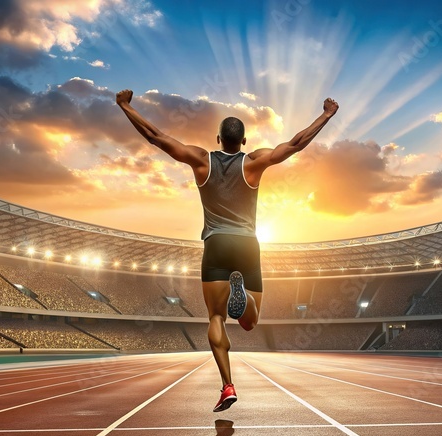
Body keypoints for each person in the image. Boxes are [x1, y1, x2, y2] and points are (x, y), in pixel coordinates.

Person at [117, 89, 339, 411]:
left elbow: (155, 136)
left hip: (216, 245)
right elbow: (295, 143)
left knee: (216, 316)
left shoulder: (200, 160)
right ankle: (244, 296)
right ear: (244, 141)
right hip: (247, 245)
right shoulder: (253, 162)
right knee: (250, 321)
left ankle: (227, 386)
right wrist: (327, 115)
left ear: (217, 139)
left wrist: (125, 106)